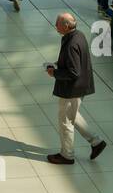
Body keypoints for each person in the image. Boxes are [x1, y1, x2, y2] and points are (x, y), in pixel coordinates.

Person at [45, 12, 107, 165]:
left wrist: (55, 73)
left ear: (66, 26)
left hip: (72, 89)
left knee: (65, 121)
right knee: (73, 115)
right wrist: (59, 64)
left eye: (58, 24)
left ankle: (67, 155)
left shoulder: (71, 44)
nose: (55, 26)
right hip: (80, 86)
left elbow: (73, 71)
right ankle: (96, 142)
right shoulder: (78, 35)